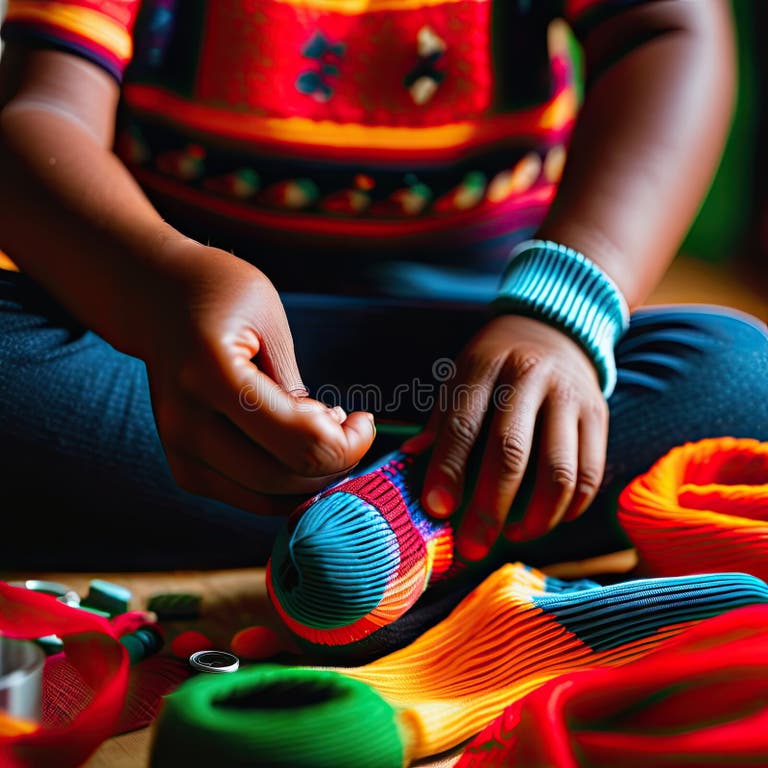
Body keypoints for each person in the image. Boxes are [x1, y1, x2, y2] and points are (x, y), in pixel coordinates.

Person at [0, 0, 765, 571]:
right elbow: (39, 111)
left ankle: (297, 520)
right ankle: (412, 533)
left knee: (737, 378)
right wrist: (158, 287)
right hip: (174, 348)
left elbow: (662, 32)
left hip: (469, 363)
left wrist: (558, 316)